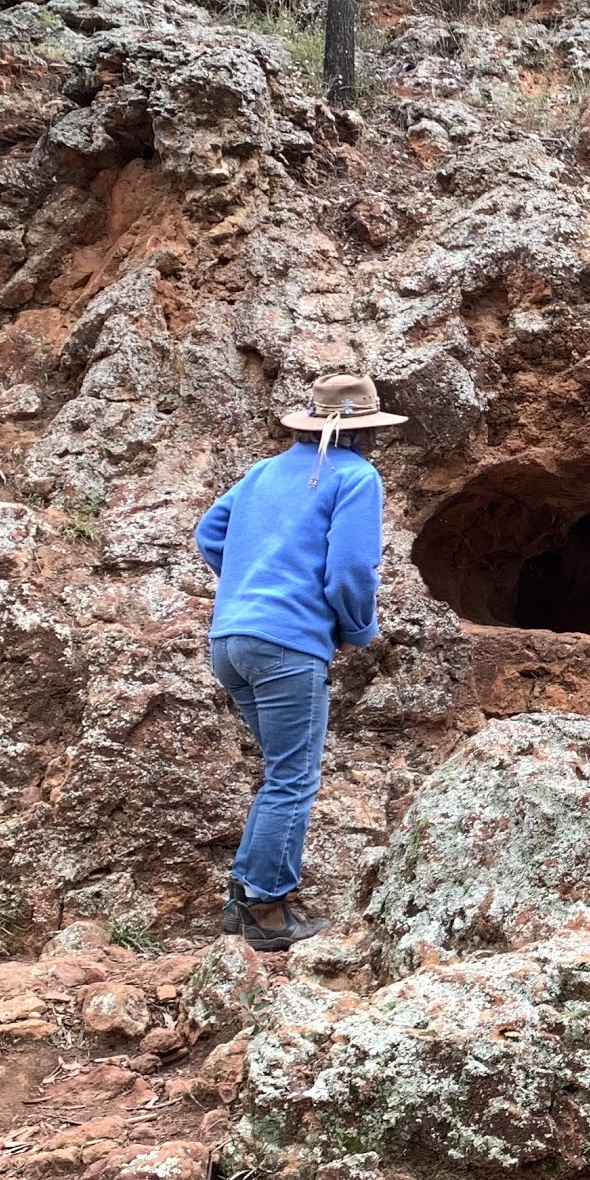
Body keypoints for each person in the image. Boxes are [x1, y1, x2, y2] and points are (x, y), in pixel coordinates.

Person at [194, 374, 408, 952]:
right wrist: (356, 629)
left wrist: (252, 585)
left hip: (230, 641)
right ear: (363, 431)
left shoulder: (263, 471)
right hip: (288, 645)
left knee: (279, 773)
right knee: (293, 778)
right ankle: (266, 910)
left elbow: (209, 533)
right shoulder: (357, 476)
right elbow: (352, 568)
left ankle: (244, 899)